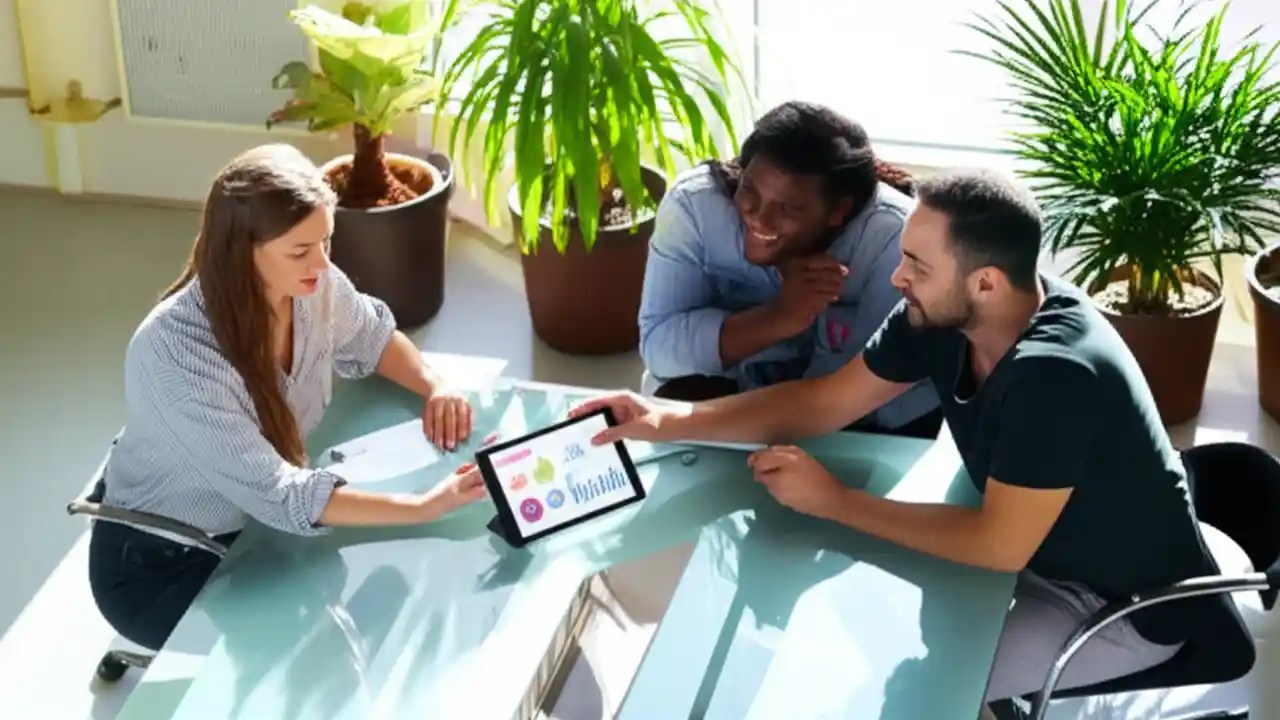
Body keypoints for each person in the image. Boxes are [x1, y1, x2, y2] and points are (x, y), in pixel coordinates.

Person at [575, 168, 1236, 705]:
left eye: (917, 265)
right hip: (1034, 548)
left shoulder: (1055, 376)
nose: (897, 278)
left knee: (912, 696)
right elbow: (827, 400)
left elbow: (999, 546)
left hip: (1117, 602)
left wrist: (835, 500)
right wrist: (668, 419)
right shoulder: (942, 318)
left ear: (985, 282)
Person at [88, 144, 487, 652]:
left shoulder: (310, 285)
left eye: (326, 242)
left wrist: (436, 384)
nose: (321, 264)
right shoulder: (174, 354)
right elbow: (282, 495)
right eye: (300, 251)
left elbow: (370, 335)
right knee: (312, 653)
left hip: (253, 529)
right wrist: (426, 506)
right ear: (240, 252)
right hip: (163, 566)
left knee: (384, 596)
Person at [637, 100, 941, 438]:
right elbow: (659, 349)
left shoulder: (895, 239)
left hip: (867, 421)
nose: (759, 217)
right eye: (750, 188)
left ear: (838, 211)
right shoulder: (694, 208)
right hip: (737, 394)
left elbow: (851, 398)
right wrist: (781, 316)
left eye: (788, 208)